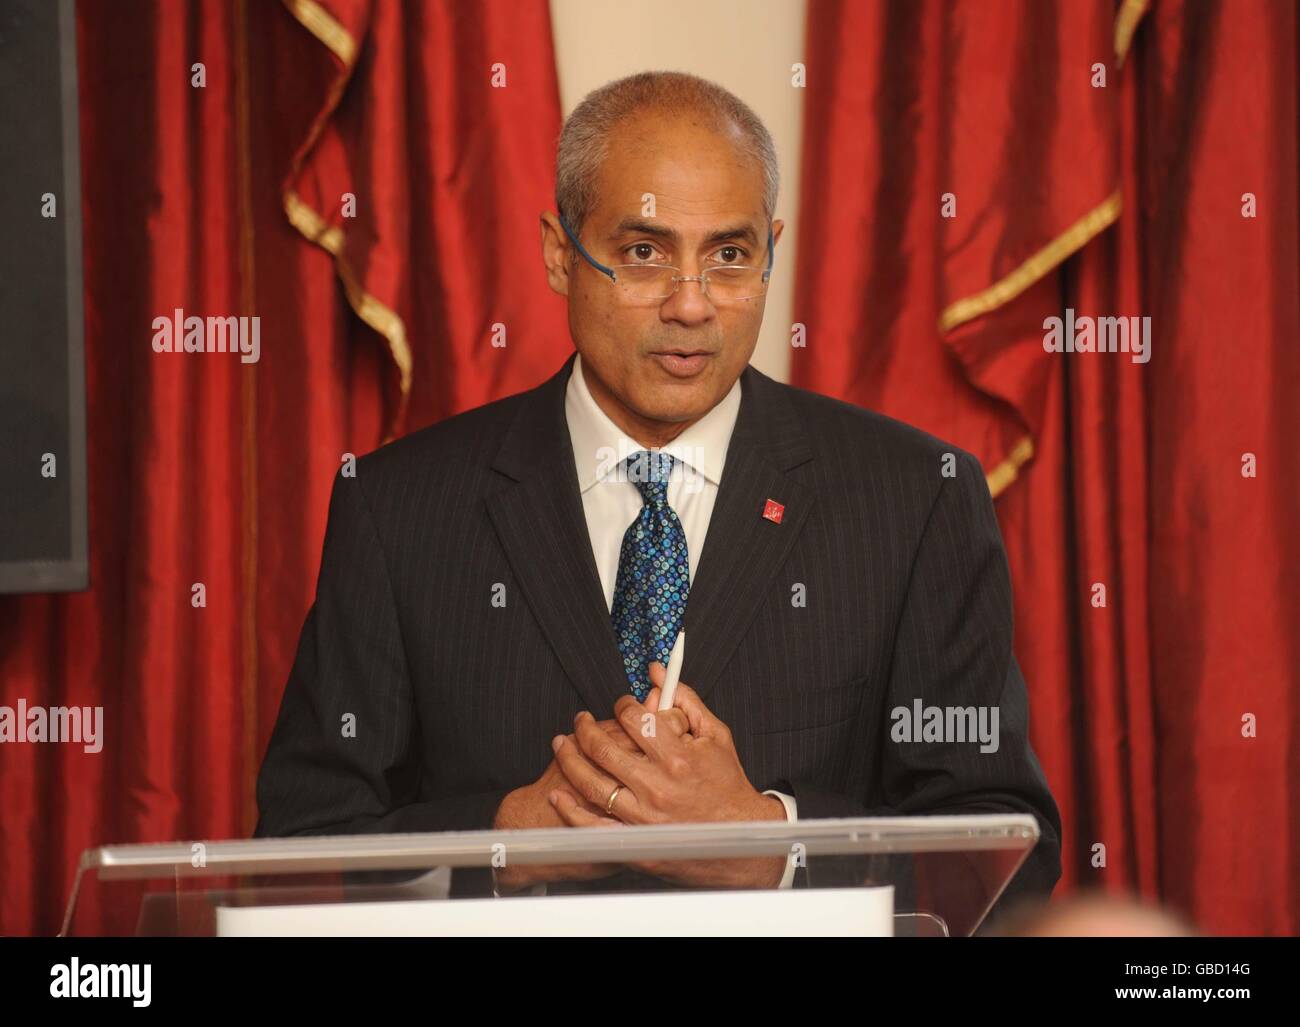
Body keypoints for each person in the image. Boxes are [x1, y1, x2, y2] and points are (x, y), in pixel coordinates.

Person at [255, 70, 1061, 911]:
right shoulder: (400, 510)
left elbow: (1007, 854)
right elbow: (298, 851)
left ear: (771, 251)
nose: (691, 305)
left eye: (729, 256)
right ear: (560, 253)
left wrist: (772, 846)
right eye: (644, 252)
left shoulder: (915, 502)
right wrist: (500, 842)